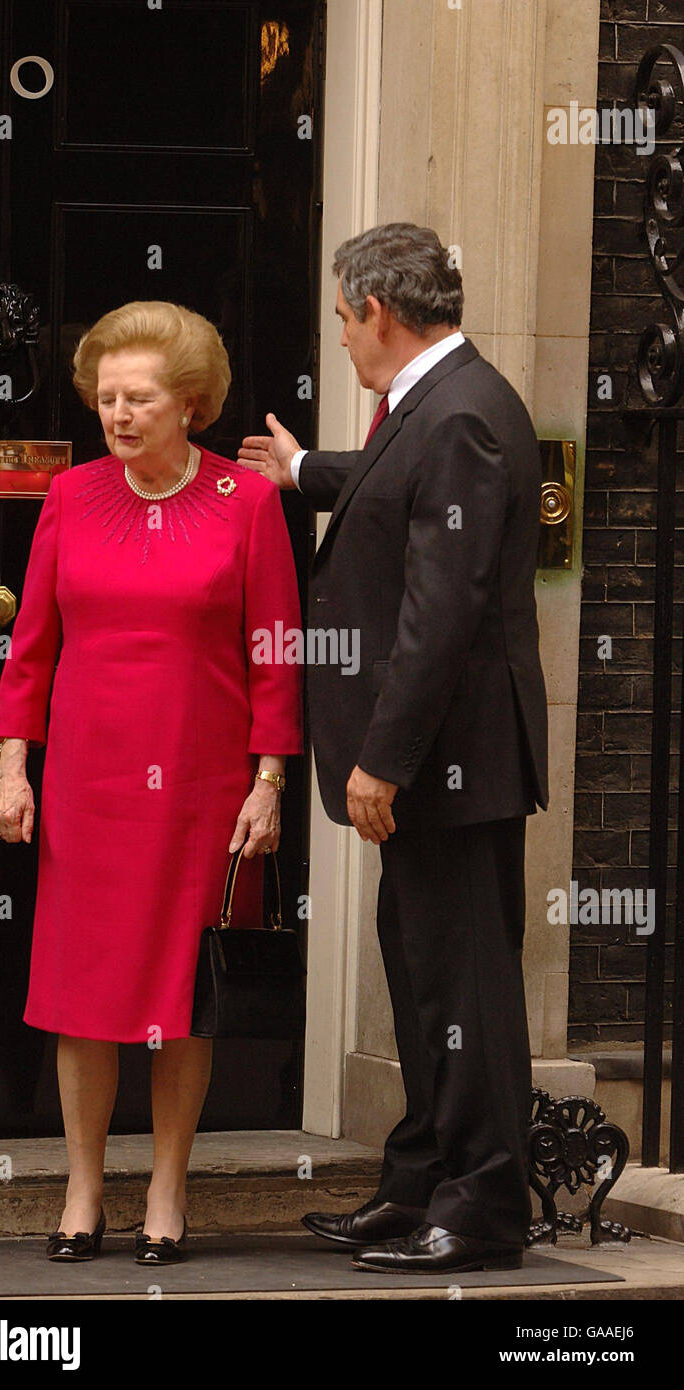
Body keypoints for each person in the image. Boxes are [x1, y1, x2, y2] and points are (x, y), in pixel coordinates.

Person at [239, 223, 548, 1275]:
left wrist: (384, 758)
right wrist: (305, 471)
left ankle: (482, 1207)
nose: (338, 334)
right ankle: (420, 1179)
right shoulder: (436, 402)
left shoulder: (458, 412)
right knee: (423, 975)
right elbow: (393, 488)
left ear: (375, 310)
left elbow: (441, 608)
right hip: (433, 764)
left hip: (443, 763)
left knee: (461, 987)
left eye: (339, 314)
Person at [0, 300, 302, 1265]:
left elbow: (275, 653)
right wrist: (13, 767)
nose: (118, 415)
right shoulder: (69, 498)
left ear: (192, 403)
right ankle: (83, 1187)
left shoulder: (245, 504)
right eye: (107, 398)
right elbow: (32, 649)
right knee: (85, 992)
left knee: (180, 992)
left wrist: (270, 783)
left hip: (202, 787)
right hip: (88, 784)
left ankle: (168, 1186)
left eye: (141, 399)